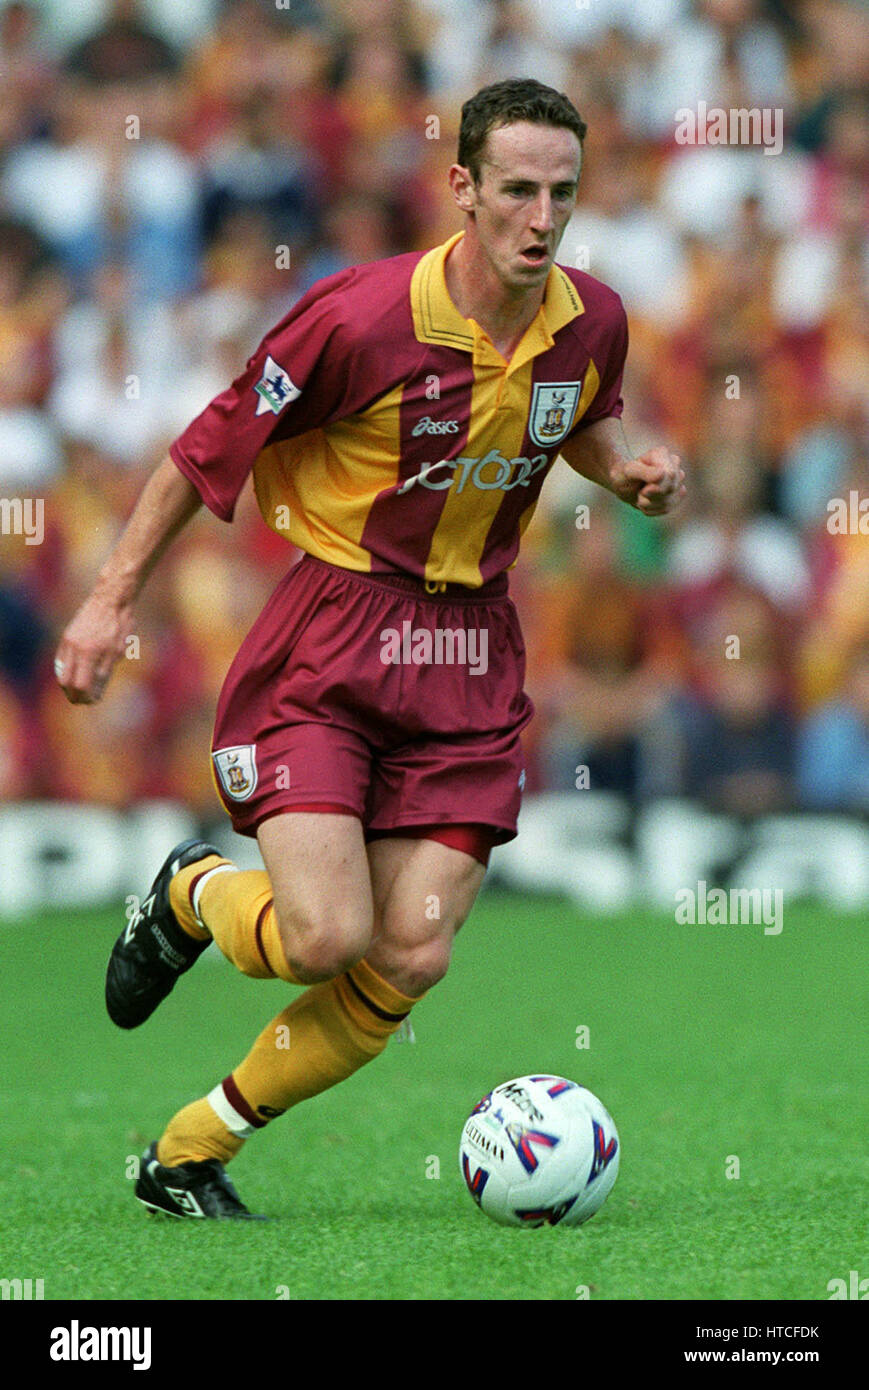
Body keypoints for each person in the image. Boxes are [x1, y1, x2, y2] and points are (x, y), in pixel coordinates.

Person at [54, 78, 685, 1219]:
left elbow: (580, 415)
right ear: (462, 190)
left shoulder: (592, 317)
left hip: (472, 653)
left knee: (409, 954)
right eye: (516, 192)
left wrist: (626, 467)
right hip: (336, 636)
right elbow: (205, 450)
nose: (541, 218)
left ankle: (187, 1153)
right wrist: (108, 602)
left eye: (561, 193)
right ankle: (194, 894)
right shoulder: (355, 318)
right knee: (322, 935)